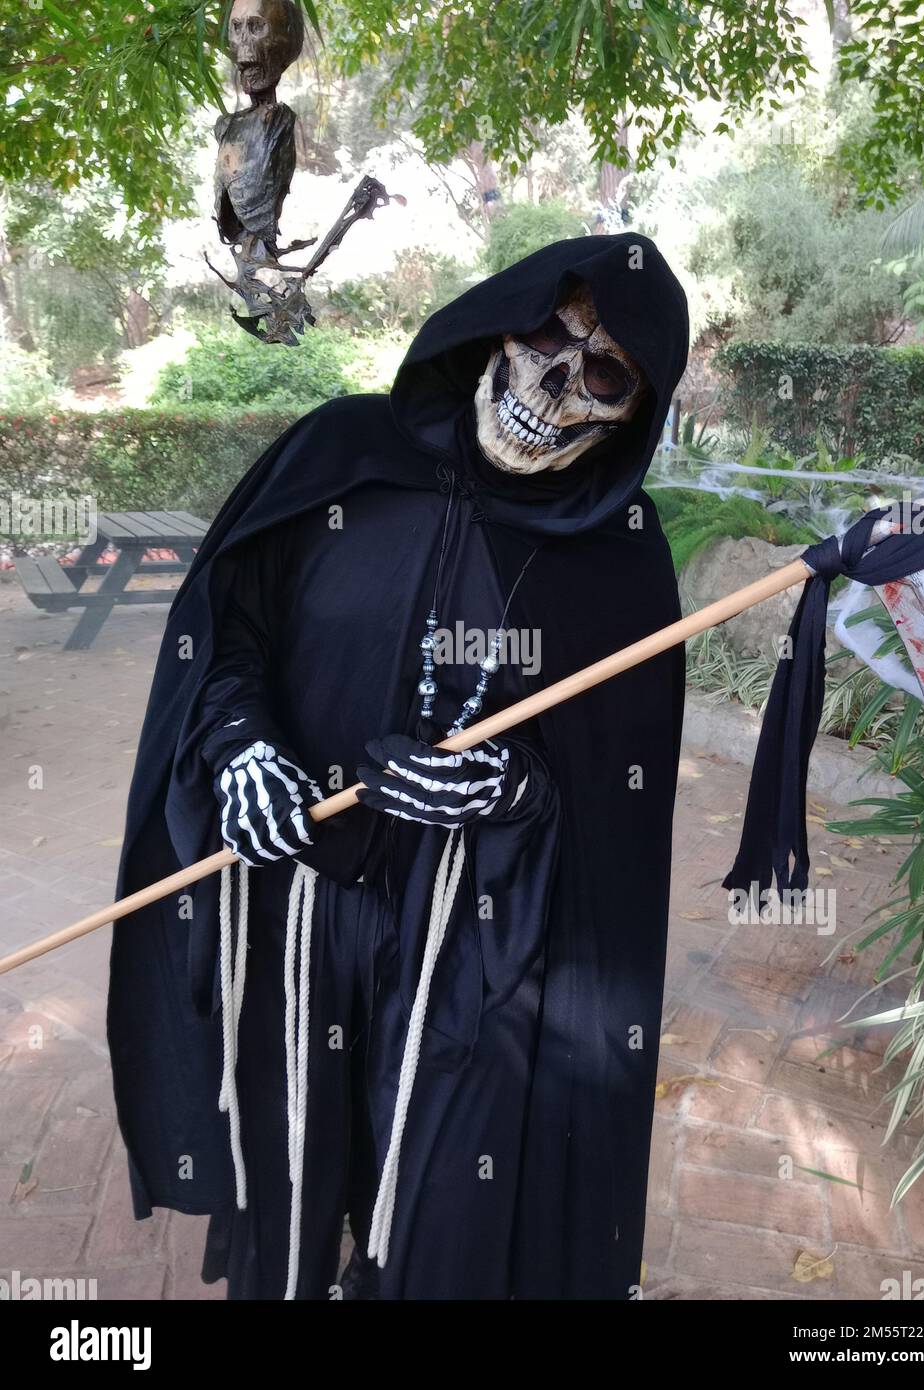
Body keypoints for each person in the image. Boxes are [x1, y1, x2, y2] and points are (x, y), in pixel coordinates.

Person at [108, 232, 689, 1300]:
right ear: (496, 328)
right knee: (290, 1170)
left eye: (600, 376)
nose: (552, 390)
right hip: (298, 897)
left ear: (631, 412)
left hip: (470, 936)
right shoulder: (339, 450)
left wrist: (509, 789)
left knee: (439, 1200)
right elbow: (226, 626)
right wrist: (239, 748)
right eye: (544, 341)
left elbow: (616, 786)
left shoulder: (618, 547)